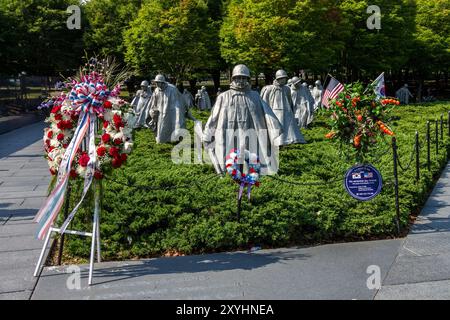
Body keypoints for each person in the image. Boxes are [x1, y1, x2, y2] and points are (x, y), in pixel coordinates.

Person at [202, 64, 283, 175]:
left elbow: (267, 113)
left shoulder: (255, 96)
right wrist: (207, 133)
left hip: (251, 133)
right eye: (238, 77)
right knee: (230, 154)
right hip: (230, 133)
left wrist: (276, 128)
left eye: (243, 78)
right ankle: (229, 171)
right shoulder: (224, 96)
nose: (241, 80)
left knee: (250, 152)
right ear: (233, 79)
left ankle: (252, 170)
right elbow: (214, 117)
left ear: (247, 79)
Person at [260, 69, 305, 145]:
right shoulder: (269, 88)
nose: (284, 80)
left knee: (289, 127)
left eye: (285, 78)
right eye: (282, 78)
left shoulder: (287, 88)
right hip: (275, 111)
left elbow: (289, 100)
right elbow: (264, 101)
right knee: (277, 126)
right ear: (278, 79)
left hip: (286, 110)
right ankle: (277, 141)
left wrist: (291, 110)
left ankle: (290, 139)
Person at [147, 75, 197, 143]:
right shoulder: (156, 90)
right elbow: (153, 102)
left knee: (175, 124)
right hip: (161, 113)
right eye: (156, 82)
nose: (157, 84)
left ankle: (176, 138)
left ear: (163, 82)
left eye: (158, 82)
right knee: (161, 132)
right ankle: (163, 140)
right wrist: (153, 111)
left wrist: (178, 112)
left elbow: (178, 101)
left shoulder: (172, 89)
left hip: (171, 112)